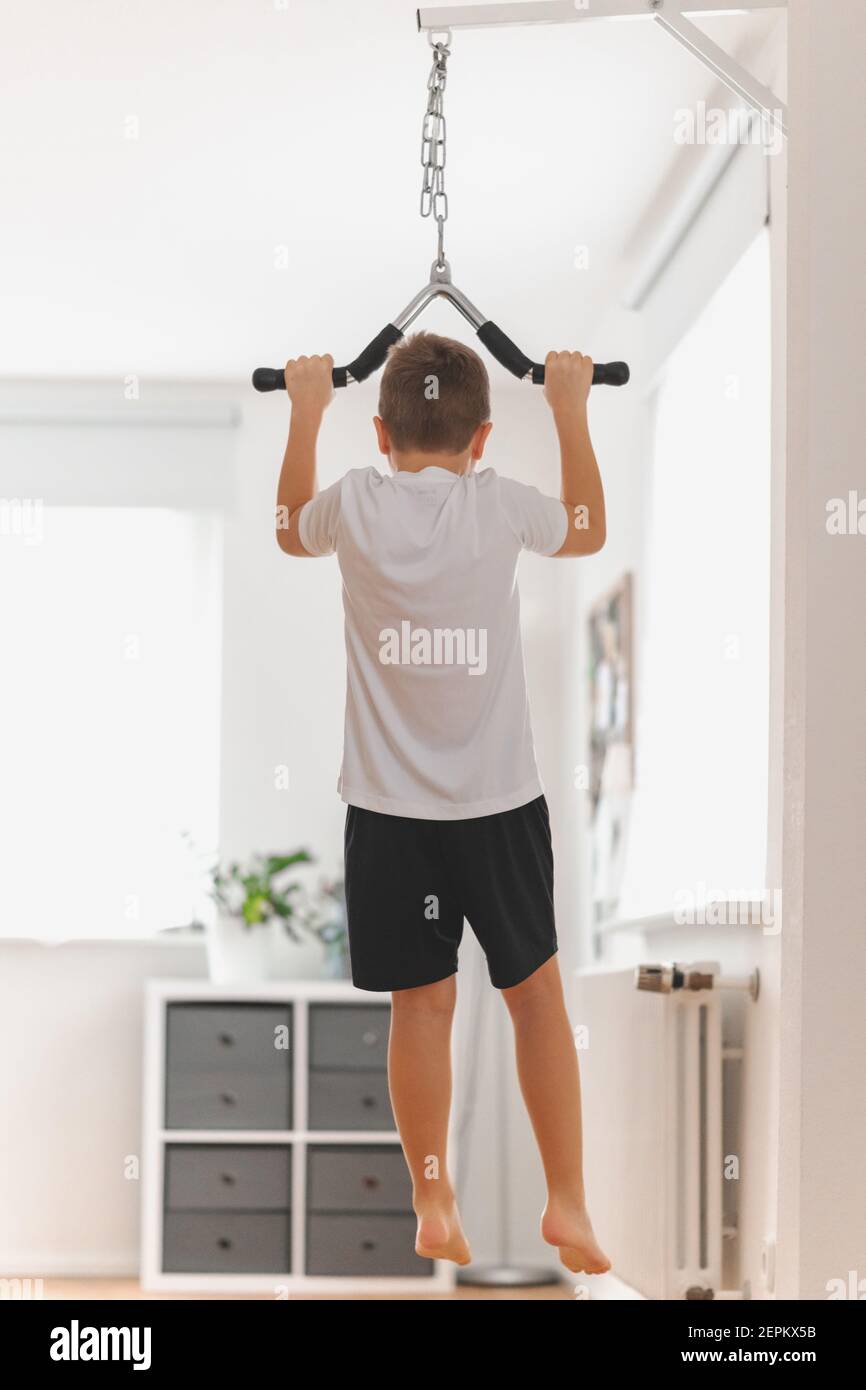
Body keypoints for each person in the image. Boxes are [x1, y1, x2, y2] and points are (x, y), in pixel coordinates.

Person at [275, 331, 610, 1277]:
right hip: (499, 806)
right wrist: (573, 408)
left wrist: (304, 414)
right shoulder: (496, 504)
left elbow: (287, 520)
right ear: (483, 437)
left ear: (379, 434)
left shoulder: (353, 505)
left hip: (390, 815)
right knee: (535, 999)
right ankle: (569, 1200)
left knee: (420, 1006)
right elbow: (585, 524)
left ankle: (432, 1188)